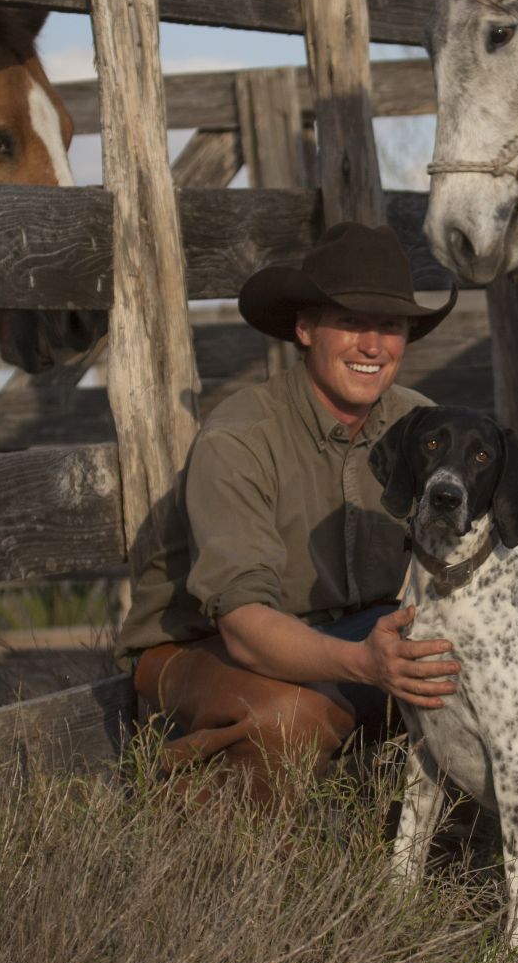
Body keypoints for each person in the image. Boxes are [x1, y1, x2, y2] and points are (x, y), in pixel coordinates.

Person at [117, 221, 461, 800]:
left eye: (390, 326)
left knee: (494, 666)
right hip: (204, 647)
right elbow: (244, 628)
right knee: (289, 718)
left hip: (362, 634)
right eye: (351, 322)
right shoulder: (240, 437)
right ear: (304, 328)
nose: (372, 346)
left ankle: (449, 829)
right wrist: (366, 664)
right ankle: (189, 831)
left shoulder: (420, 426)